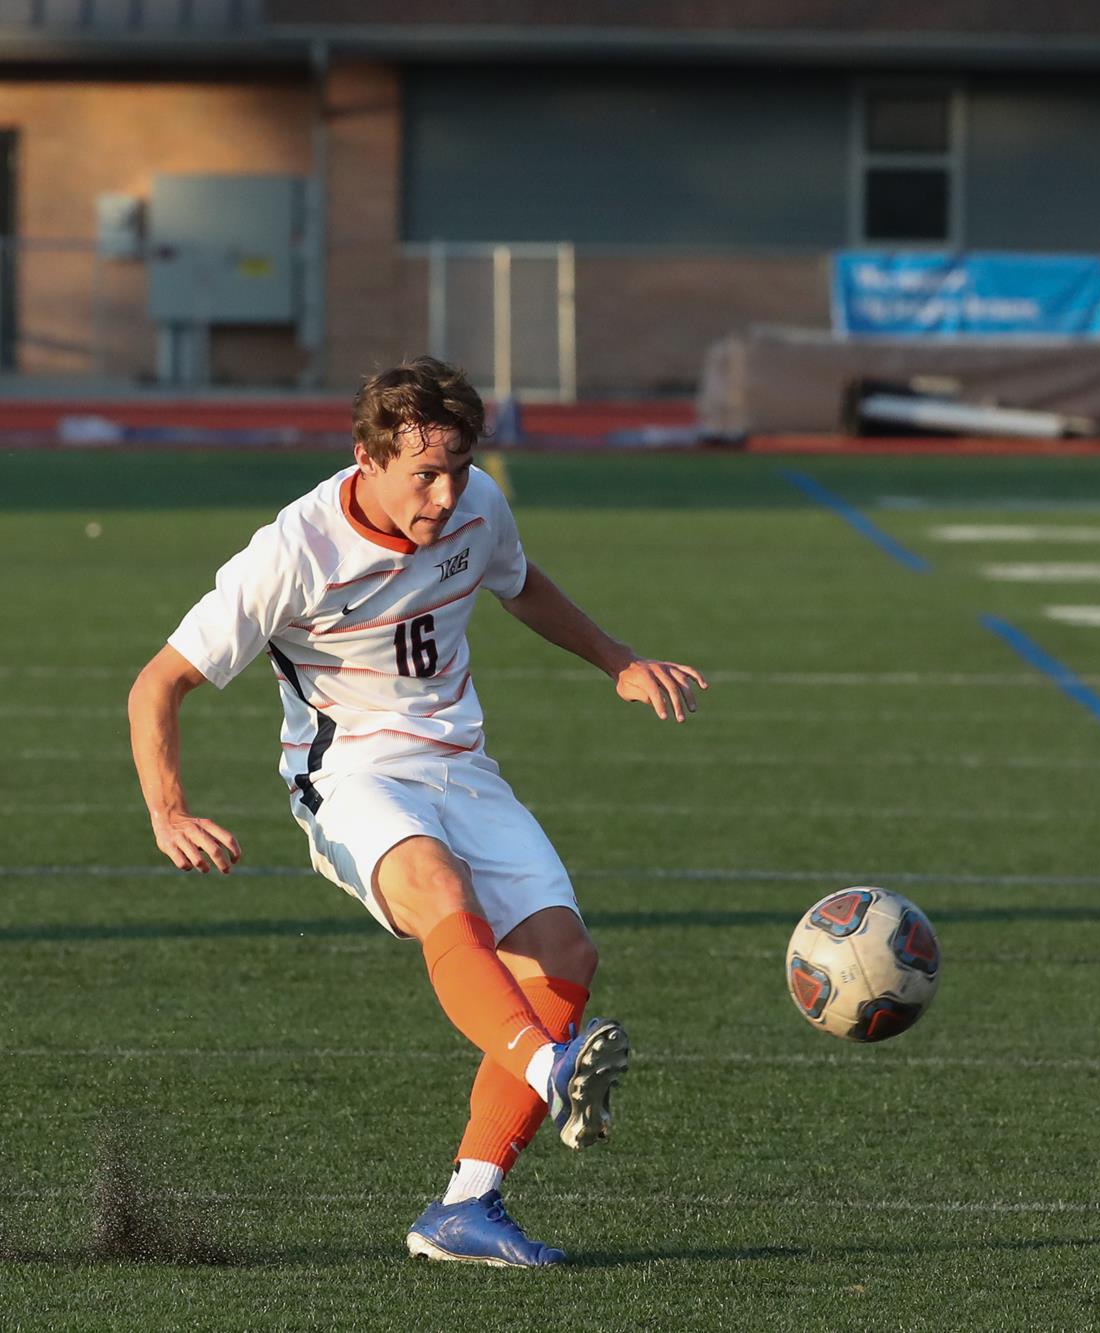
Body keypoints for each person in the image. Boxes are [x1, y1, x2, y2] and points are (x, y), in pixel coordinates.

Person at [126, 356, 708, 1267]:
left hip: (461, 765)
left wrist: (618, 659)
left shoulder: (480, 507)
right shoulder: (294, 550)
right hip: (349, 772)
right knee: (440, 892)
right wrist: (169, 812)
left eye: (458, 468)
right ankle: (551, 1067)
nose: (444, 495)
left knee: (565, 955)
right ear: (366, 457)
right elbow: (158, 683)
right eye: (423, 474)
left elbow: (520, 583)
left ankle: (465, 1207)